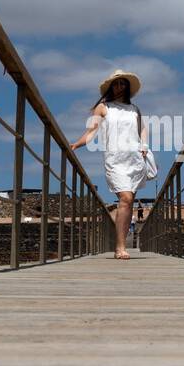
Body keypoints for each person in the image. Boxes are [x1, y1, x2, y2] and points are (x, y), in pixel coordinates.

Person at [69, 69, 149, 259]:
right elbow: (91, 131)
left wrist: (144, 146)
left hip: (135, 159)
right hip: (115, 159)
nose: (119, 86)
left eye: (122, 83)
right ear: (111, 87)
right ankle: (119, 247)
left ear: (127, 87)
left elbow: (143, 129)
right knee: (126, 198)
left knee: (128, 203)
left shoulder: (135, 109)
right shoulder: (103, 108)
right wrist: (77, 144)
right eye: (116, 83)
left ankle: (121, 247)